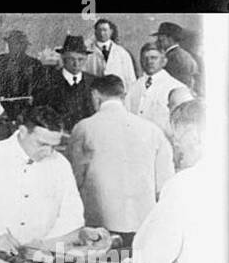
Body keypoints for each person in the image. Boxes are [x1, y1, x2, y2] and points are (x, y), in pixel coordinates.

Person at [133, 100, 228, 263]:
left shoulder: (184, 185)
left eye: (177, 137)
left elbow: (154, 262)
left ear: (195, 135)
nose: (175, 145)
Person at [0, 105, 85, 256]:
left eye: (54, 146)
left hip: (44, 255)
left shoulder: (60, 164)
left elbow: (72, 214)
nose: (48, 152)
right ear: (23, 132)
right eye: (42, 144)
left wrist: (47, 244)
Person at [67, 75, 174, 246]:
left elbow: (74, 180)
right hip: (143, 222)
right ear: (123, 96)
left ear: (95, 95)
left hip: (99, 226)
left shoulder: (84, 128)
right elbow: (165, 184)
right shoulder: (152, 130)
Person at [34, 35, 96, 128]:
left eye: (80, 59)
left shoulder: (94, 82)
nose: (76, 64)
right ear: (63, 58)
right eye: (72, 59)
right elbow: (39, 115)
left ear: (86, 59)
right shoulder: (48, 82)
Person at [126, 43, 185, 135]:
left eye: (154, 58)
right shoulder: (134, 87)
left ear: (164, 61)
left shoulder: (176, 87)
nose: (149, 62)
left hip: (163, 142)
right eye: (145, 58)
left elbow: (182, 125)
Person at [0, 29, 44, 101]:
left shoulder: (34, 64)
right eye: (11, 43)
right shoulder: (0, 61)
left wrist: (34, 98)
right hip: (3, 104)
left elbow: (41, 88)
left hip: (27, 105)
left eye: (19, 44)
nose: (13, 47)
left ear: (24, 46)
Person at [84, 18, 137, 85]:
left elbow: (130, 78)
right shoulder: (87, 53)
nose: (102, 33)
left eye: (105, 30)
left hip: (117, 92)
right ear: (95, 32)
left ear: (111, 31)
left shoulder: (122, 53)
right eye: (99, 30)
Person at [154, 21, 199, 92]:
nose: (157, 42)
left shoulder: (171, 58)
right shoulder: (186, 55)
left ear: (170, 39)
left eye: (161, 39)